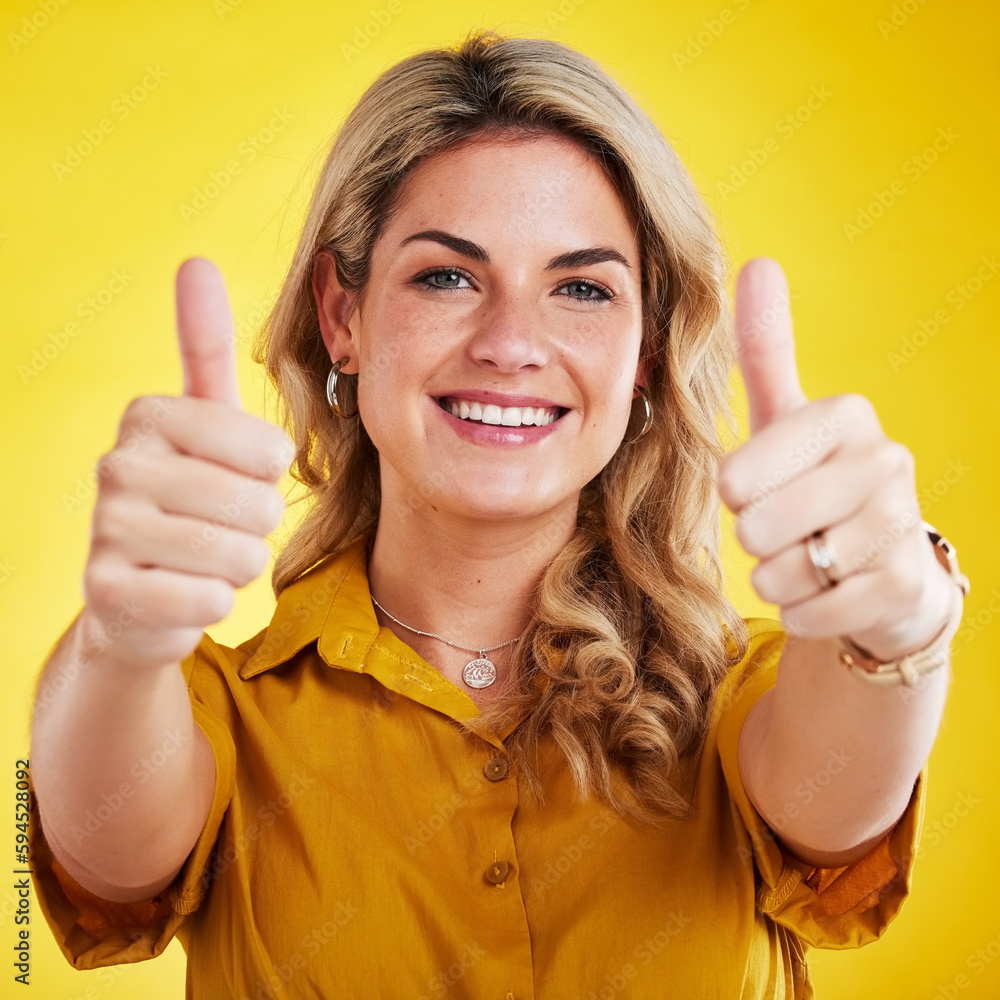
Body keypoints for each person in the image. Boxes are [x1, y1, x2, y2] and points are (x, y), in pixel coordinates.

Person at [27, 29, 968, 999]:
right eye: (447, 276)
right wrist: (117, 643)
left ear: (644, 352)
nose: (512, 342)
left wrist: (896, 628)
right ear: (343, 317)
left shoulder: (744, 700)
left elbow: (836, 801)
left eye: (581, 288)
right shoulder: (218, 716)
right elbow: (108, 851)